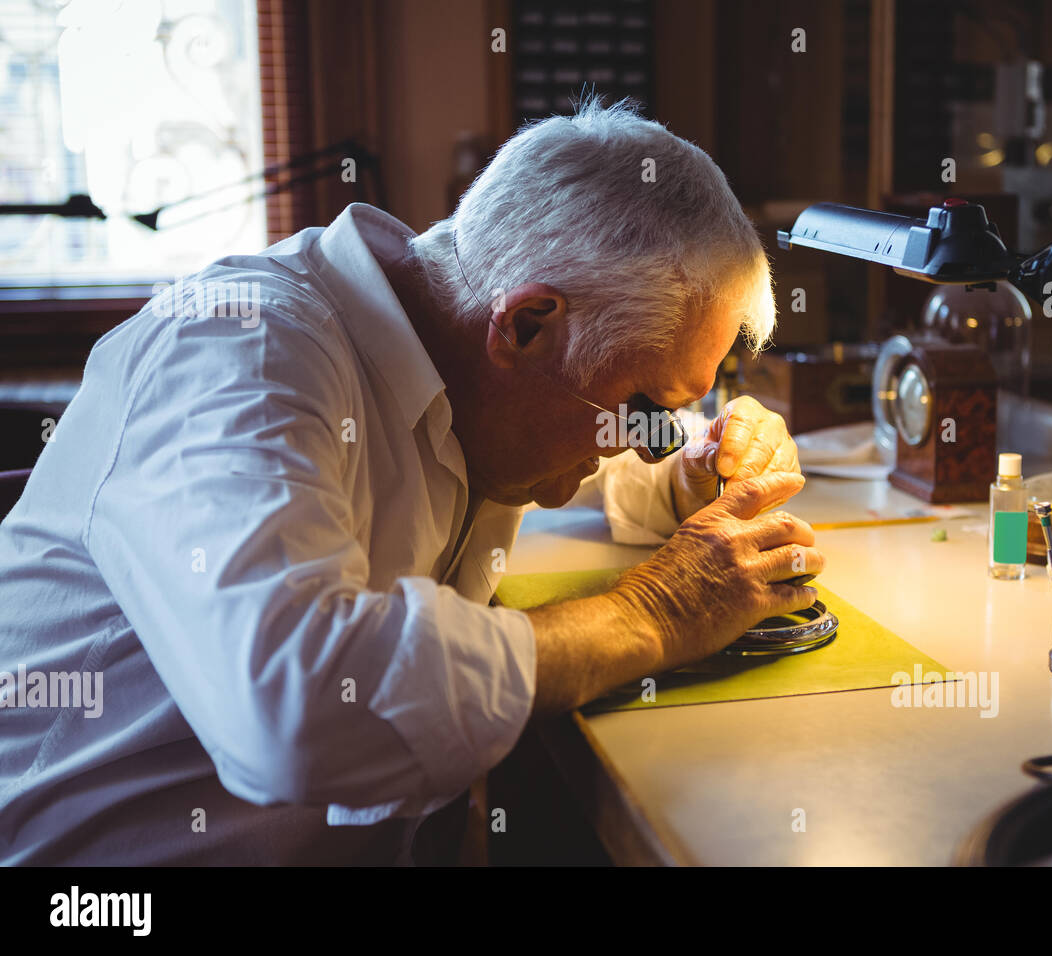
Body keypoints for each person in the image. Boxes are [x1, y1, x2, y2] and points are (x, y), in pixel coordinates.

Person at [0, 99, 823, 864]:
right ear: (528, 325)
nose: (643, 443)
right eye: (645, 407)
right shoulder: (238, 350)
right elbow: (296, 710)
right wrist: (658, 611)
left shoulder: (462, 365)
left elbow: (556, 451)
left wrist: (688, 472)